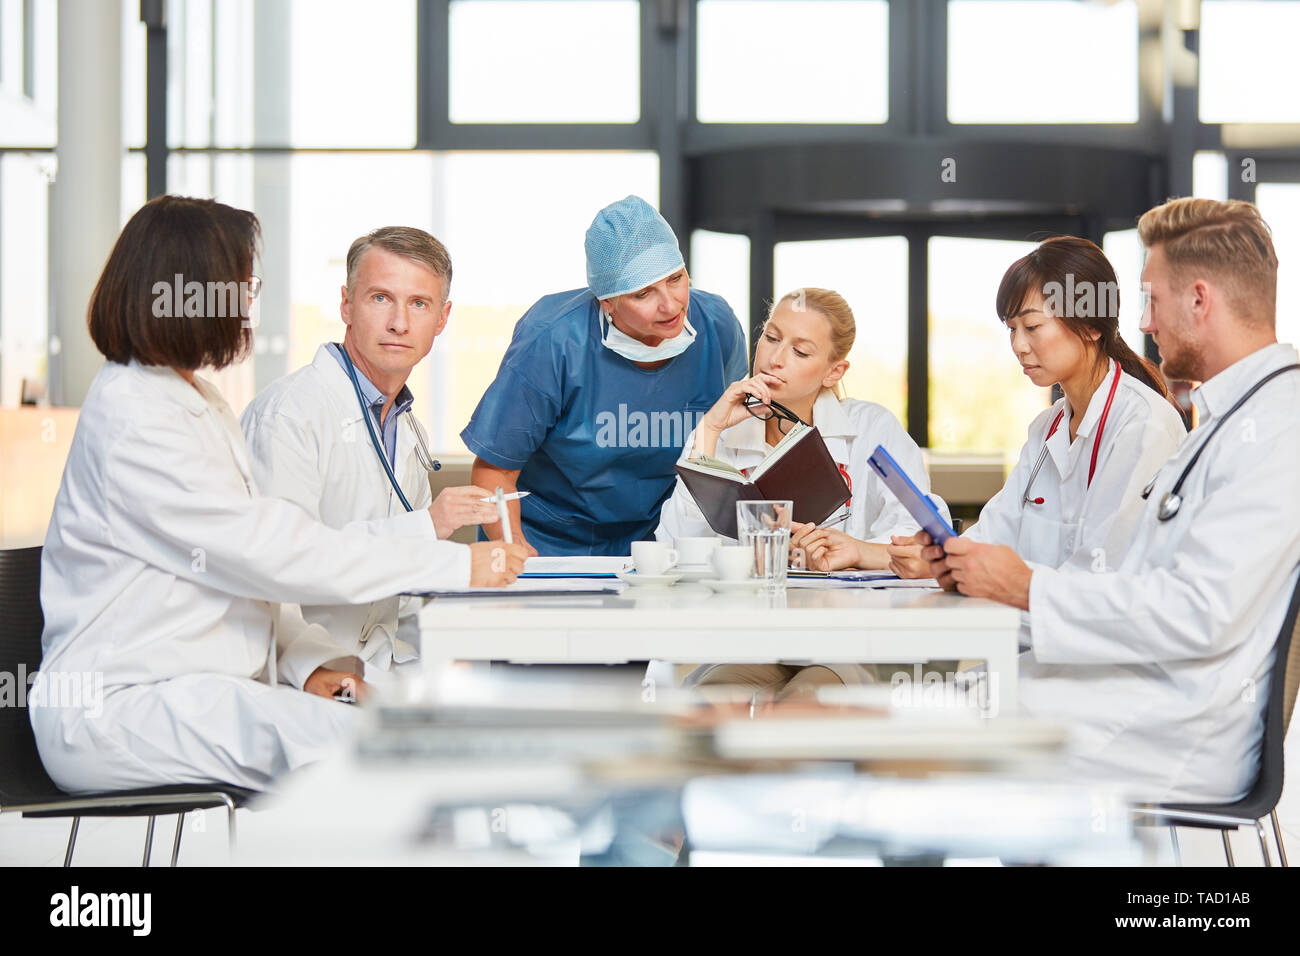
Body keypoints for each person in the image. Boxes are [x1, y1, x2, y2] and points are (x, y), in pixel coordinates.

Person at [29, 196, 528, 794]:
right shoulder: (136, 417)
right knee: (383, 754)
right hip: (125, 709)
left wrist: (312, 663)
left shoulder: (194, 403)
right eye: (239, 284)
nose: (246, 304)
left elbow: (251, 572)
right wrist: (452, 561)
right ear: (191, 294)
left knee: (402, 734)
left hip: (202, 690)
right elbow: (271, 553)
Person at [923, 198, 1300, 803]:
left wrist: (1025, 588)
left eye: (1151, 300)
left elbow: (1197, 613)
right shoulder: (1228, 420)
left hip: (1177, 725)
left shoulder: (1278, 428)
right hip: (1139, 689)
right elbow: (1139, 577)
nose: (1143, 323)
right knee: (928, 707)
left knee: (923, 728)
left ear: (1199, 300)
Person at [656, 287, 950, 699]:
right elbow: (675, 549)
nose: (775, 359)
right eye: (772, 338)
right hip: (751, 640)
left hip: (845, 641)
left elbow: (922, 538)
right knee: (712, 706)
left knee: (804, 708)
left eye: (801, 351)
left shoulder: (871, 430)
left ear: (834, 372)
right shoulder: (722, 430)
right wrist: (709, 430)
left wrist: (847, 554)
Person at [241, 227, 504, 679]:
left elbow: (401, 593)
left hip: (384, 663)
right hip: (307, 675)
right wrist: (431, 528)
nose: (400, 323)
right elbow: (273, 574)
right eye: (381, 298)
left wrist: (456, 645)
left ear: (442, 319)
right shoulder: (290, 416)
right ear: (346, 304)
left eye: (419, 304)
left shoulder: (405, 428)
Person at [887, 236, 1186, 582]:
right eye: (1011, 329)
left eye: (1031, 327)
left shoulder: (1144, 426)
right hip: (1034, 627)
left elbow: (1103, 572)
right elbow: (994, 534)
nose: (1018, 345)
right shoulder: (1047, 428)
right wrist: (939, 561)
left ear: (1090, 325)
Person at [461, 195, 748, 555]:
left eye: (676, 279)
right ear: (607, 302)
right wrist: (515, 550)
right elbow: (495, 469)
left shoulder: (717, 325)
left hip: (662, 542)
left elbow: (735, 441)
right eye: (643, 293)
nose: (671, 305)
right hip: (550, 543)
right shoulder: (554, 338)